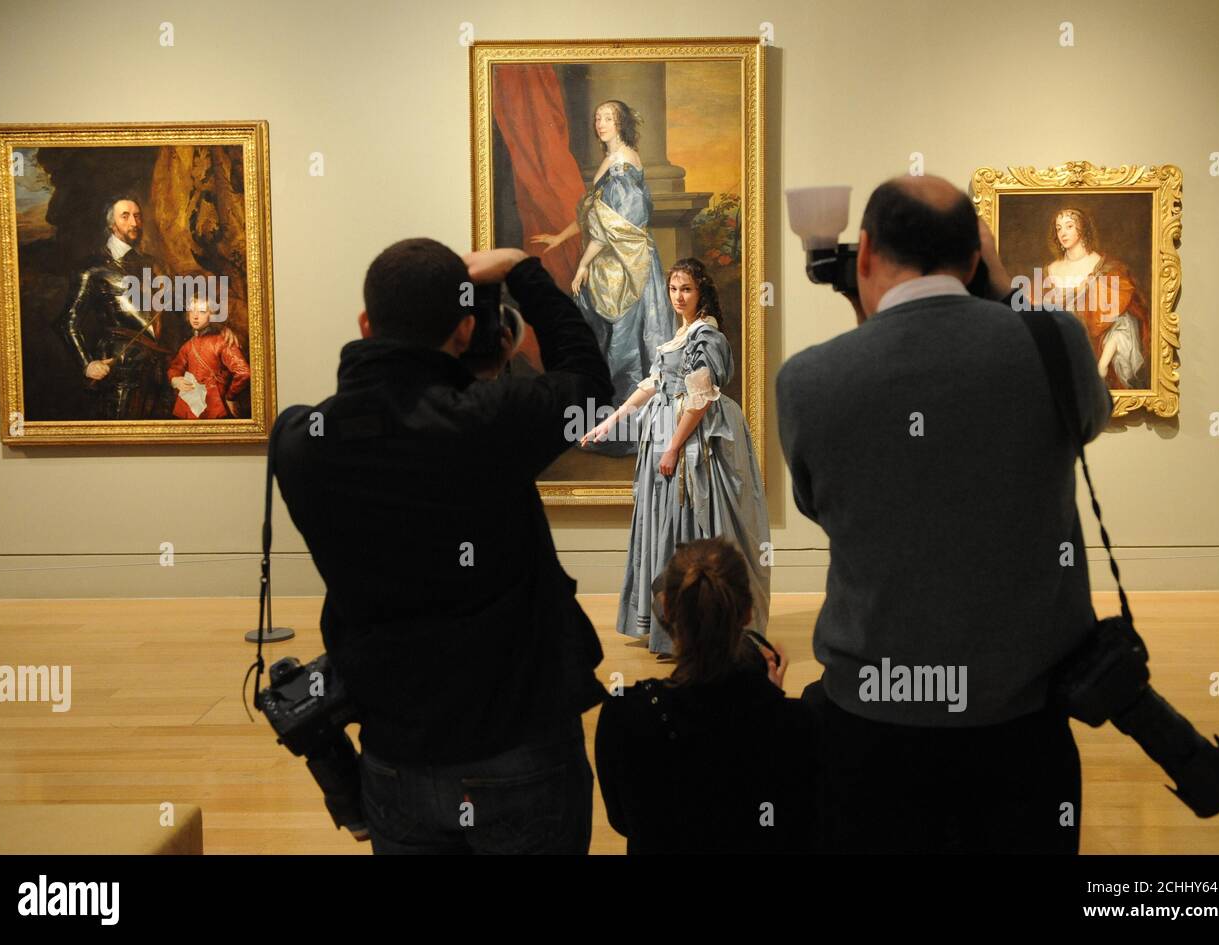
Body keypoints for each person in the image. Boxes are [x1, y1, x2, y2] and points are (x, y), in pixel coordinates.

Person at [776, 175, 1113, 854]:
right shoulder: (1057, 345)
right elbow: (1088, 418)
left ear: (865, 251)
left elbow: (821, 504)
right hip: (1021, 723)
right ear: (975, 257)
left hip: (870, 724)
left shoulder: (808, 380)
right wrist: (1008, 287)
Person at [273, 239, 613, 854]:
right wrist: (523, 271)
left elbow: (395, 428)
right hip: (519, 744)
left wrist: (461, 378)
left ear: (366, 324)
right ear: (465, 329)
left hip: (395, 754)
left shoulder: (300, 442)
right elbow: (588, 383)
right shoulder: (490, 422)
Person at [581, 258, 770, 657]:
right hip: (668, 431)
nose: (678, 297)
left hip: (694, 442)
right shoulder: (681, 334)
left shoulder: (706, 336)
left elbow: (700, 399)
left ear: (701, 292)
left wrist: (673, 447)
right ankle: (674, 626)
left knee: (690, 522)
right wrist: (610, 421)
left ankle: (700, 630)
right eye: (673, 289)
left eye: (686, 289)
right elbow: (654, 384)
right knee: (665, 521)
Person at [594, 537, 817, 854]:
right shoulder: (800, 724)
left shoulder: (625, 717)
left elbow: (622, 820)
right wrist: (770, 701)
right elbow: (797, 822)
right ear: (748, 613)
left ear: (666, 610)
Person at [531, 100, 675, 455]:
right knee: (604, 342)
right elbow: (593, 215)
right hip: (611, 266)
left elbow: (614, 227)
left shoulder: (623, 162)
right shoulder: (612, 159)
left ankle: (624, 434)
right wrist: (559, 238)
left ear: (621, 123)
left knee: (623, 347)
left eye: (608, 118)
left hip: (626, 267)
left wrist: (582, 264)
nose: (600, 123)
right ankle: (604, 427)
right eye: (597, 117)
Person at [60, 196, 179, 420]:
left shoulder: (150, 263)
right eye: (125, 216)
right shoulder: (93, 268)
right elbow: (68, 321)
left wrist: (216, 327)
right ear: (111, 224)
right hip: (119, 372)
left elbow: (175, 311)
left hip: (156, 373)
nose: (134, 223)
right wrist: (87, 364)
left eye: (137, 216)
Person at [1038, 206, 1149, 389]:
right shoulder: (1049, 271)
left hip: (1098, 365)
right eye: (1058, 228)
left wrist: (1102, 365)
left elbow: (1125, 325)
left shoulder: (1107, 270)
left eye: (1069, 226)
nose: (1063, 233)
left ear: (1082, 228)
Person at [167, 295, 251, 419]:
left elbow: (244, 373)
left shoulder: (222, 341)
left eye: (202, 311)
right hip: (190, 405)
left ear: (212, 316)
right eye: (192, 311)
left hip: (214, 406)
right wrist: (175, 380)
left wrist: (230, 396)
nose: (195, 316)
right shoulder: (188, 345)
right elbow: (175, 367)